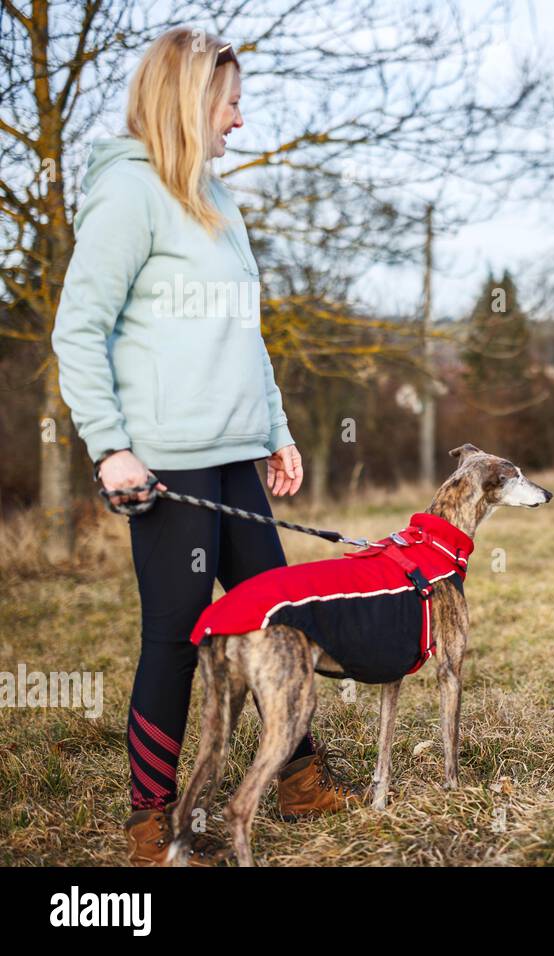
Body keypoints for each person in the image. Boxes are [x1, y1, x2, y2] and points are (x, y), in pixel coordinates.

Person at [51, 27, 362, 865]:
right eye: (230, 101)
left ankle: (297, 781)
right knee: (178, 635)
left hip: (233, 452)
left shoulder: (217, 200)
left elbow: (245, 335)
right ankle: (152, 822)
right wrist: (109, 448)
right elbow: (78, 331)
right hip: (166, 461)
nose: (240, 117)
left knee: (276, 618)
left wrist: (276, 429)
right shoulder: (128, 194)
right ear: (189, 100)